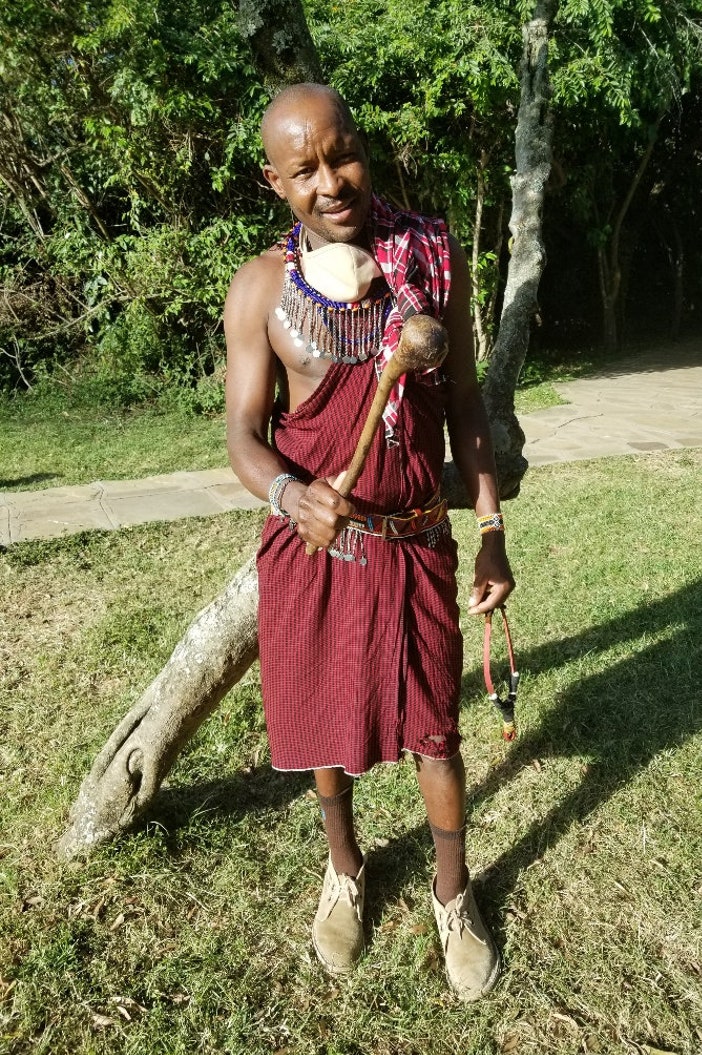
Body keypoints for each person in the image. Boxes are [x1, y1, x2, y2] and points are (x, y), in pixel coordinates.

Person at [224, 82, 515, 1002]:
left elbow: (464, 401)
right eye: (303, 169)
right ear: (277, 183)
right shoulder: (261, 288)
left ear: (362, 148)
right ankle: (344, 869)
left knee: (435, 730)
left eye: (340, 155)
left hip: (419, 539)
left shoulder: (425, 259)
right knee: (324, 727)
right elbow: (241, 432)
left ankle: (452, 892)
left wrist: (491, 529)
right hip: (319, 553)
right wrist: (287, 491)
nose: (330, 182)